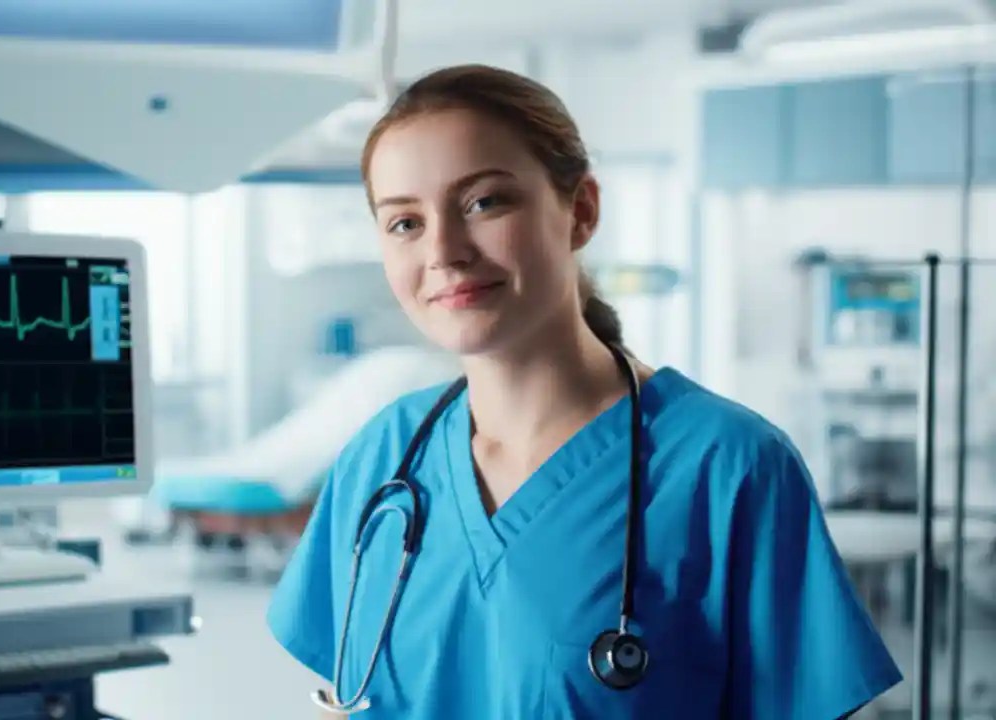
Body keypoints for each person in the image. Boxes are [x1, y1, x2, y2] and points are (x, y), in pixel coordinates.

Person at [266, 64, 902, 719]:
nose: (445, 252)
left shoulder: (728, 467)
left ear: (582, 211)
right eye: (405, 223)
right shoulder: (382, 458)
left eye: (484, 202)